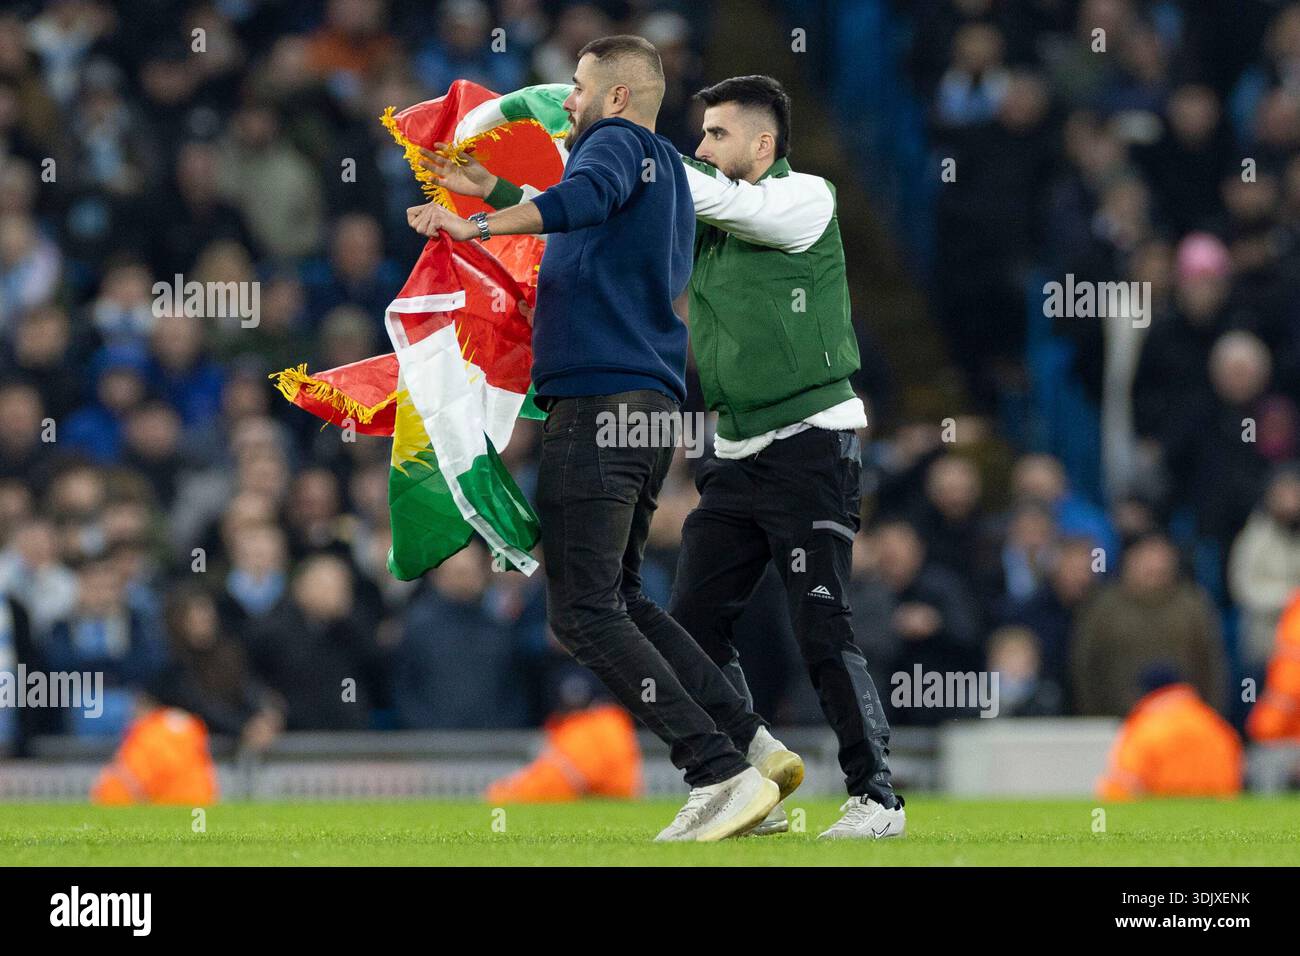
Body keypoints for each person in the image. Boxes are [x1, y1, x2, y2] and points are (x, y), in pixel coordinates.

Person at [406, 36, 785, 842]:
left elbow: (578, 203)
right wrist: (495, 190)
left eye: (577, 88)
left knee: (580, 611)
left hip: (597, 402)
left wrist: (473, 227)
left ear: (616, 97)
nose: (565, 101)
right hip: (646, 408)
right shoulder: (667, 175)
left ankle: (718, 772)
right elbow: (588, 220)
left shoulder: (611, 144)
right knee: (622, 598)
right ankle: (749, 740)